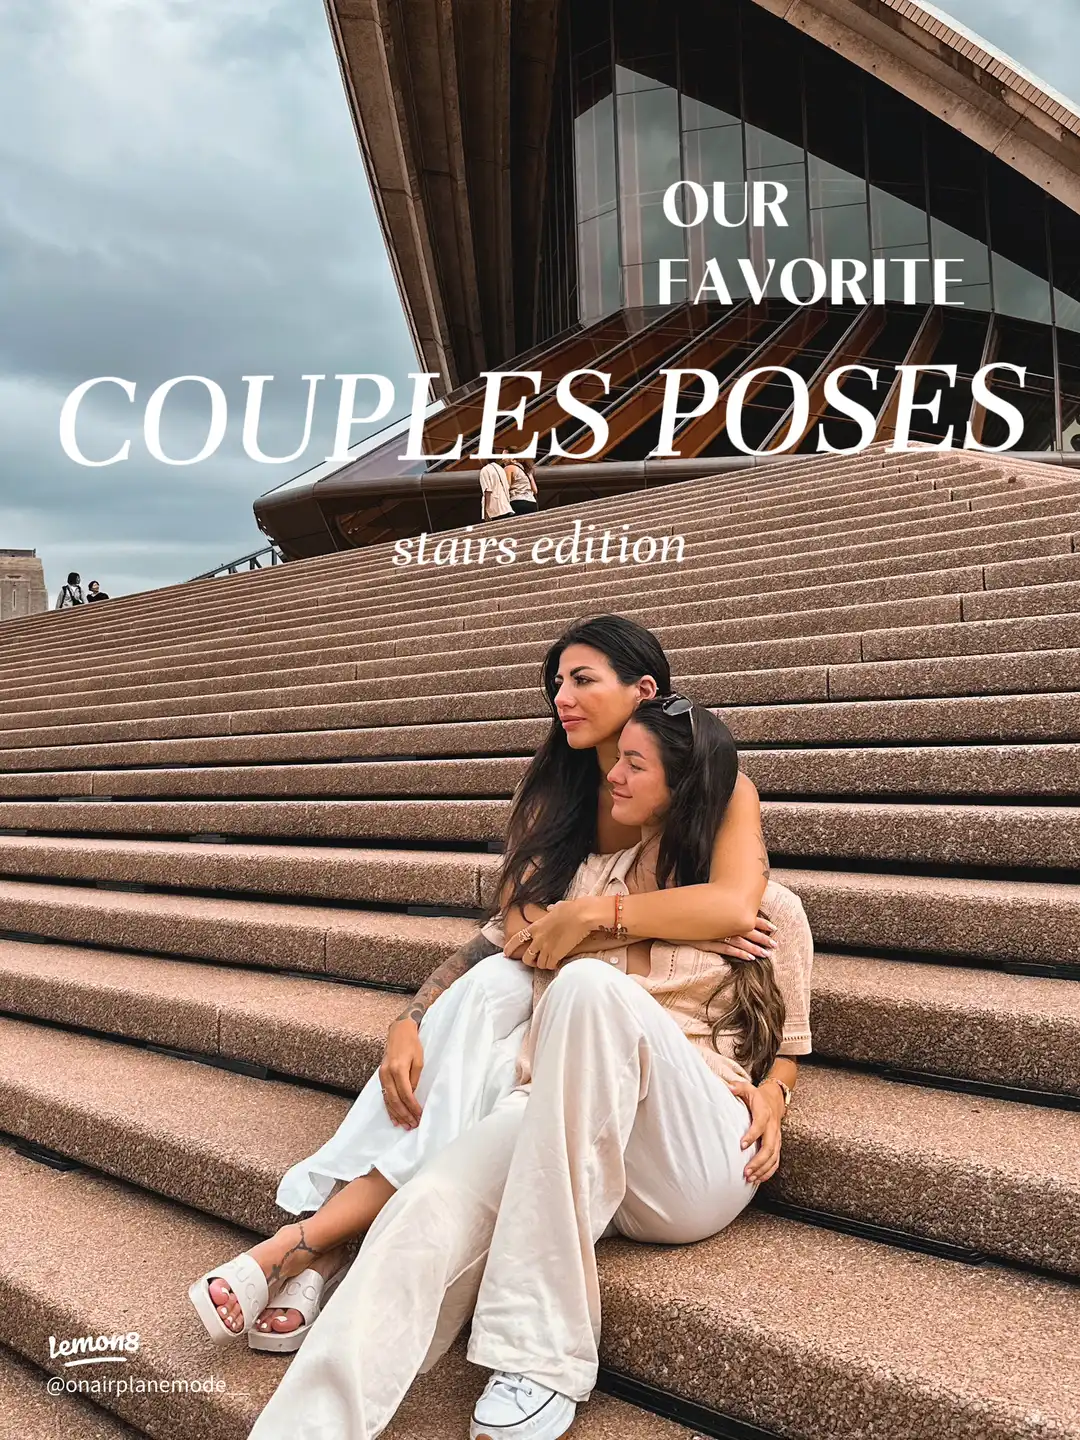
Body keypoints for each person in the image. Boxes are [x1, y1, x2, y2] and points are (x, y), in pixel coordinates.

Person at [232, 690, 811, 1440]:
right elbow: (498, 946)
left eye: (636, 765)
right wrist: (411, 1016)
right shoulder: (581, 885)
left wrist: (776, 1096)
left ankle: (540, 1353)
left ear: (684, 786)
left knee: (588, 987)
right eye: (618, 760)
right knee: (425, 1204)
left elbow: (788, 1048)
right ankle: (308, 1425)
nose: (613, 775)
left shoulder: (770, 909)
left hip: (694, 1155)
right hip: (570, 1128)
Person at [478, 458, 514, 522]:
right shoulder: (500, 468)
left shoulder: (485, 470)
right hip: (506, 507)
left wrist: (486, 511)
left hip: (494, 510)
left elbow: (487, 491)